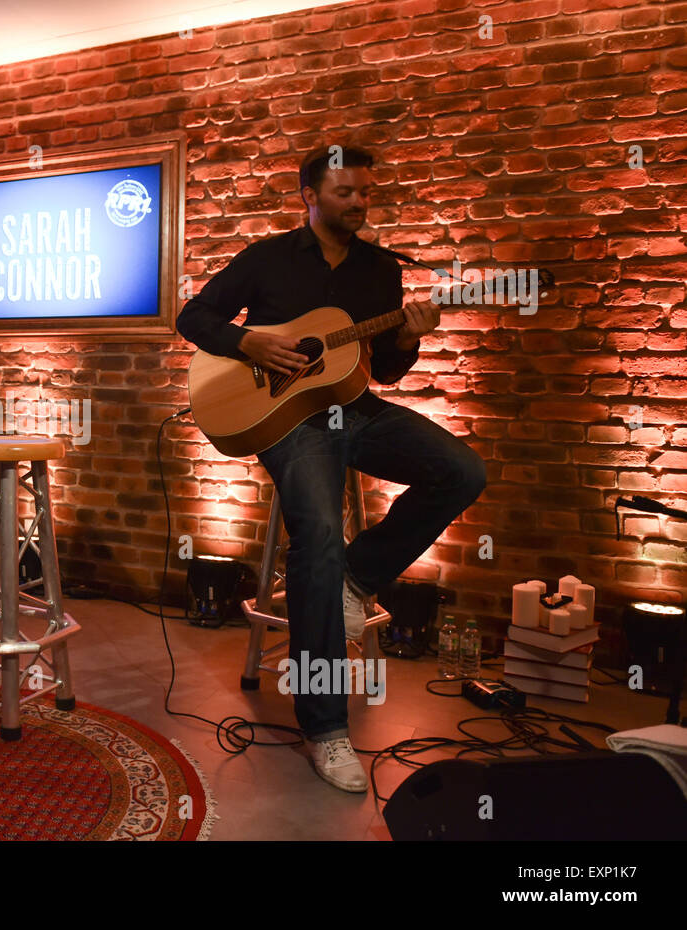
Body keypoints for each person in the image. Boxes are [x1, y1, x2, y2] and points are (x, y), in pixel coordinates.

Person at [176, 145, 487, 793]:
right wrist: (249, 340)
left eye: (366, 192)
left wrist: (408, 335)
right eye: (346, 191)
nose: (360, 202)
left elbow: (390, 370)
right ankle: (326, 731)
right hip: (288, 420)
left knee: (461, 470)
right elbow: (193, 316)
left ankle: (358, 577)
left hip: (357, 408)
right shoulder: (268, 257)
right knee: (316, 535)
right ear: (310, 196)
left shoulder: (380, 270)